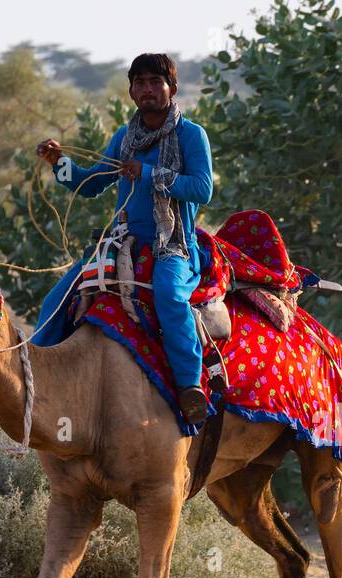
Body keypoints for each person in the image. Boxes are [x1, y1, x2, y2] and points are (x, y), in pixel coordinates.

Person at [35, 52, 214, 425]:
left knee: (169, 295)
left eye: (155, 81)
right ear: (132, 91)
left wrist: (149, 173)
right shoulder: (125, 137)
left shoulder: (191, 135)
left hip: (173, 244)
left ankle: (189, 386)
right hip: (124, 242)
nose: (147, 89)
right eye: (140, 82)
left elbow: (201, 189)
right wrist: (59, 163)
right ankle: (35, 376)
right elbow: (93, 184)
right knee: (59, 297)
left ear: (172, 88)